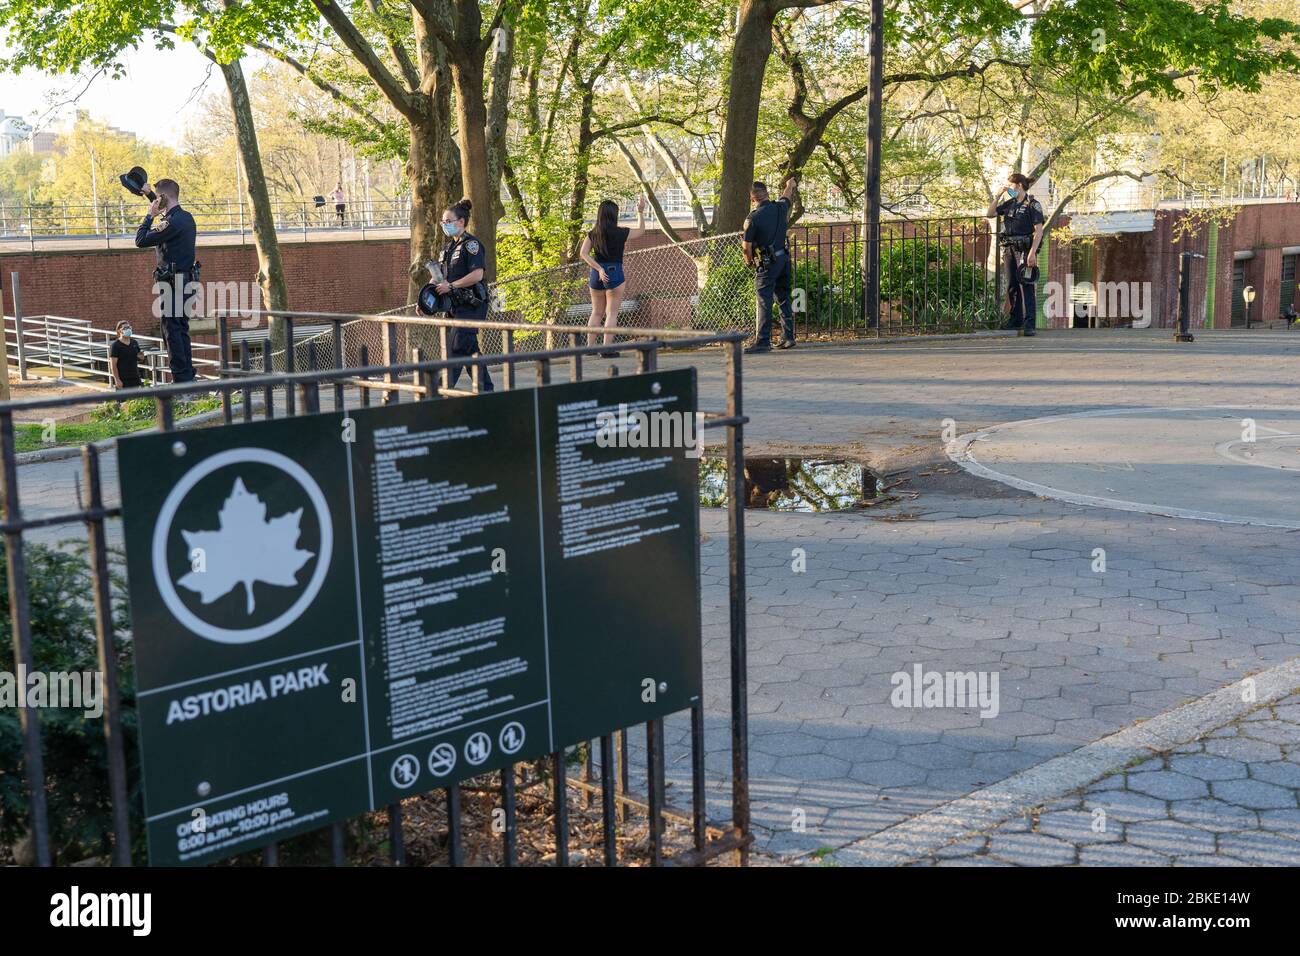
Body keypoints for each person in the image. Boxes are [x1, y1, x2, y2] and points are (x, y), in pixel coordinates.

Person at [135, 178, 198, 382]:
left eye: (158, 197)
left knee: (171, 331)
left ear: (164, 198)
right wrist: (149, 193)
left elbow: (141, 240)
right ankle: (187, 376)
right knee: (181, 329)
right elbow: (167, 210)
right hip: (187, 281)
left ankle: (181, 380)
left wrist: (149, 216)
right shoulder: (186, 218)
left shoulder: (170, 223)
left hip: (173, 284)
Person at [436, 198, 494, 392]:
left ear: (461, 222)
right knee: (469, 351)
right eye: (442, 222)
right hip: (455, 306)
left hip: (472, 306)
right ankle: (487, 390)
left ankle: (439, 392)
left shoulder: (472, 245)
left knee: (456, 347)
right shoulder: (448, 248)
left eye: (448, 221)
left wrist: (452, 286)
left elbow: (478, 274)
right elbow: (439, 277)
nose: (444, 225)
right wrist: (425, 299)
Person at [580, 196, 646, 357]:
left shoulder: (592, 234)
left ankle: (590, 349)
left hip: (596, 275)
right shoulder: (620, 232)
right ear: (614, 215)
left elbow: (583, 254)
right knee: (612, 313)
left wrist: (599, 269)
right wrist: (640, 212)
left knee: (596, 312)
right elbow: (641, 231)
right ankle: (606, 350)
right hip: (615, 273)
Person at [742, 176, 799, 354]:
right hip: (783, 260)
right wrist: (790, 184)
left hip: (766, 264)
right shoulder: (780, 208)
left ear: (752, 199)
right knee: (783, 297)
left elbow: (747, 247)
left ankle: (763, 341)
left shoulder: (753, 218)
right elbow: (787, 195)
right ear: (766, 193)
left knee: (764, 301)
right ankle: (788, 337)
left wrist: (749, 262)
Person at [989, 172, 1046, 336]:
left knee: (1026, 284)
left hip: (1025, 249)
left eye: (1011, 186)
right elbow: (990, 213)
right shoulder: (1009, 204)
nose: (1009, 188)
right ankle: (1015, 321)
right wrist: (998, 196)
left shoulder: (1032, 205)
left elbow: (1039, 231)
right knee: (1012, 285)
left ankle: (1030, 325)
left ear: (1019, 185)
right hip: (1009, 248)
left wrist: (1032, 253)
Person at [109, 320, 143, 389]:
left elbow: (139, 359)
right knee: (124, 400)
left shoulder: (134, 343)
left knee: (138, 399)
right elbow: (113, 365)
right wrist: (117, 380)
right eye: (125, 328)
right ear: (119, 331)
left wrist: (141, 357)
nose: (128, 329)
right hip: (123, 379)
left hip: (135, 377)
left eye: (129, 327)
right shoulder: (115, 345)